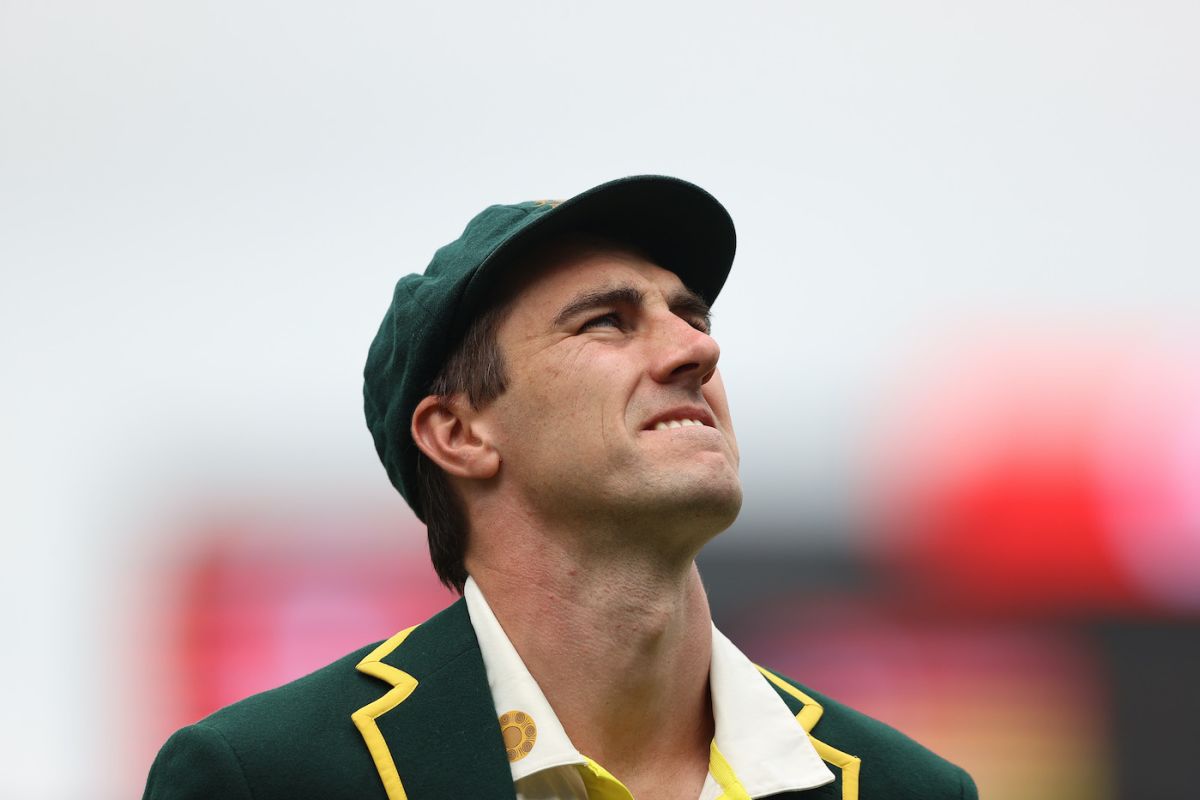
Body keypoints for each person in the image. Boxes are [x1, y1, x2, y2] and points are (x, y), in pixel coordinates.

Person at [143, 175, 978, 799]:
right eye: (608, 321)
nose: (698, 350)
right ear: (460, 434)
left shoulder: (911, 791)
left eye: (692, 316)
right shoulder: (267, 777)